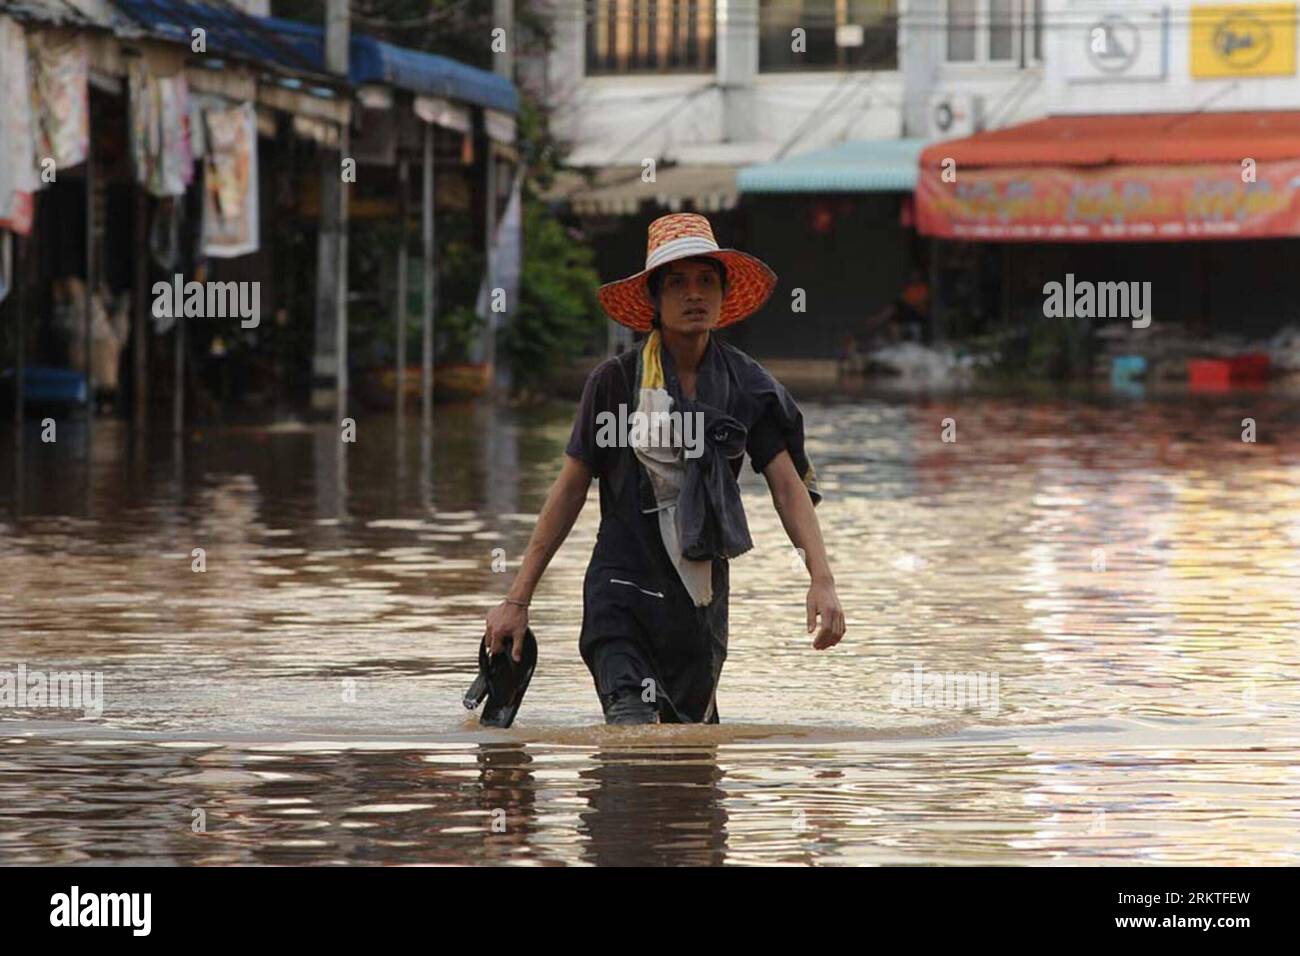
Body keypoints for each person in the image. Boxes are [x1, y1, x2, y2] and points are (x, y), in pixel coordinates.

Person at [483, 213, 845, 725]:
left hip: (699, 602)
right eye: (676, 282)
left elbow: (787, 489)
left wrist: (821, 579)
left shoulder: (747, 387)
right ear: (653, 300)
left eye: (705, 281)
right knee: (633, 732)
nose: (693, 294)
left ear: (722, 297)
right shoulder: (614, 384)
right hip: (621, 593)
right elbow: (568, 491)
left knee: (692, 762)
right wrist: (517, 600)